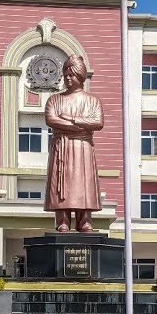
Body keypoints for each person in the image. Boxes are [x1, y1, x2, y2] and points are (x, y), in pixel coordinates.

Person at [43, 54, 104, 232]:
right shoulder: (54, 100)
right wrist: (81, 125)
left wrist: (71, 119)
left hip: (83, 147)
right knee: (61, 185)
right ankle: (62, 220)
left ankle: (84, 220)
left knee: (84, 184)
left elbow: (98, 123)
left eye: (72, 75)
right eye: (66, 75)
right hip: (61, 146)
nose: (68, 78)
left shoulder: (92, 101)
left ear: (81, 76)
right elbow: (51, 120)